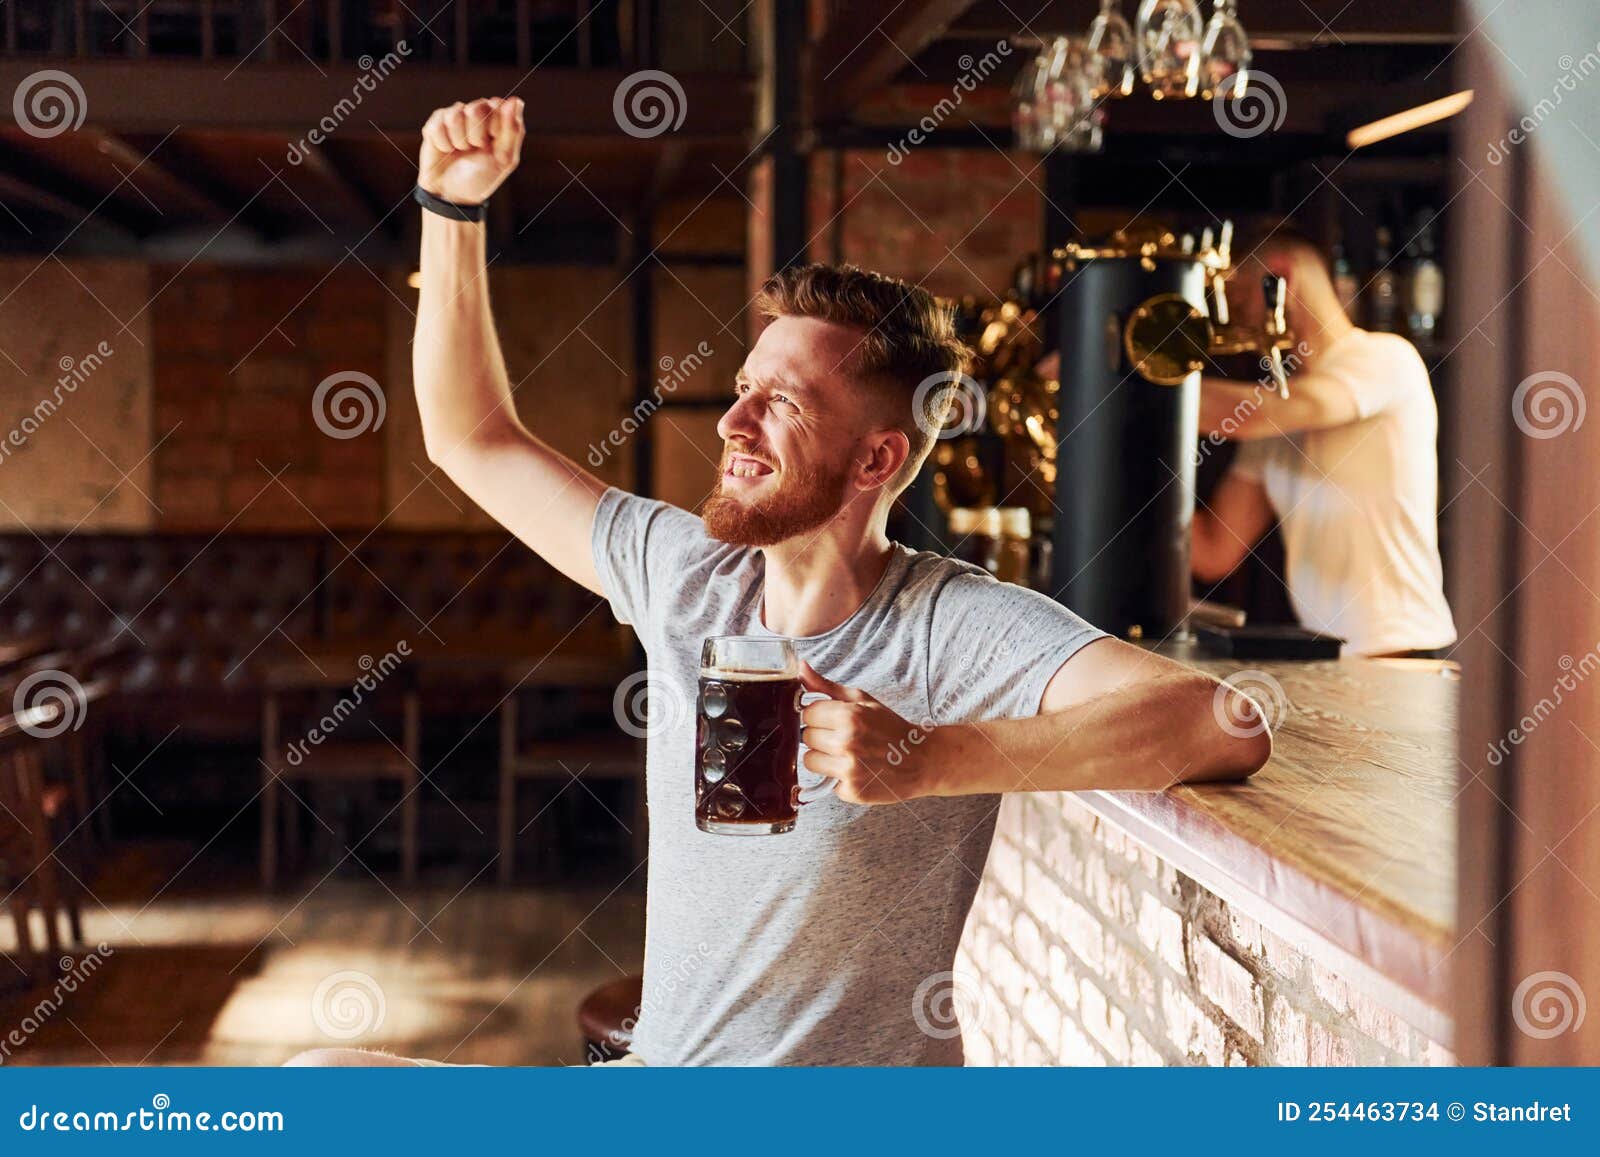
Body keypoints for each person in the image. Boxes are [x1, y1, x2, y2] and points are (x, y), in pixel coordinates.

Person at [286, 96, 1270, 1069]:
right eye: (743, 387)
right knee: (319, 1082)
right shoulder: (685, 575)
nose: (732, 421)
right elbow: (473, 435)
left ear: (876, 458)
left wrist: (933, 756)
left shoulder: (945, 622)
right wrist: (451, 211)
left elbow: (1224, 720)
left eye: (781, 403)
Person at [1191, 235, 1457, 659]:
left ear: (1281, 279)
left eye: (1240, 302)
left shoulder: (1384, 358)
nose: (1236, 323)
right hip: (1332, 658)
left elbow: (1267, 413)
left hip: (1403, 654)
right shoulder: (1277, 414)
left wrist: (1127, 384)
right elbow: (1213, 551)